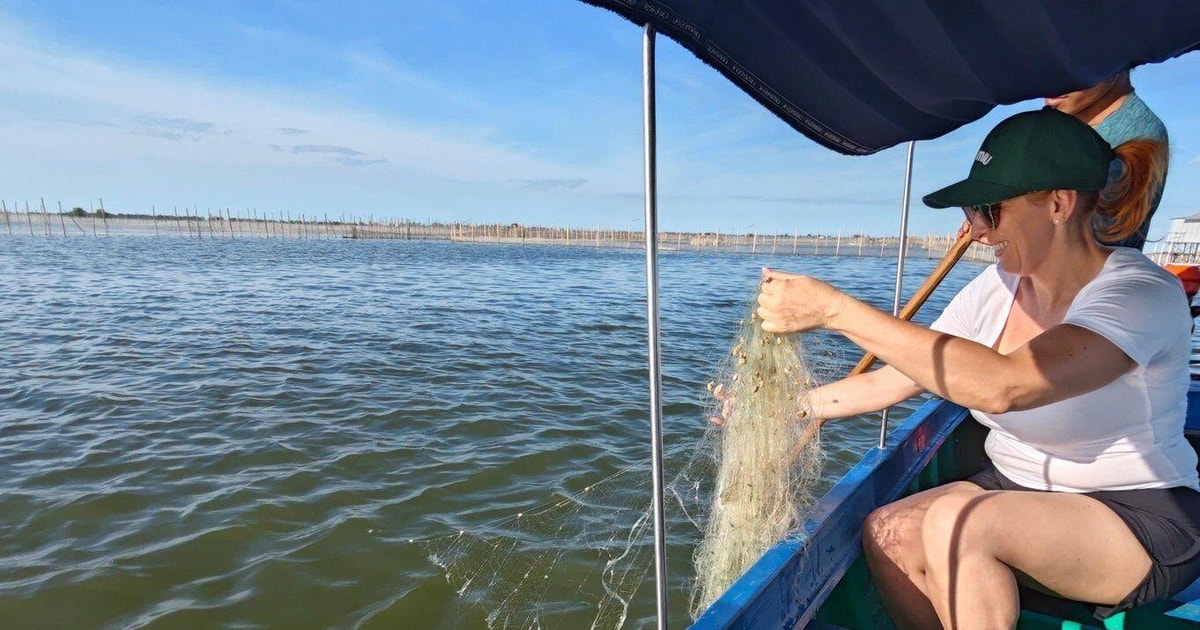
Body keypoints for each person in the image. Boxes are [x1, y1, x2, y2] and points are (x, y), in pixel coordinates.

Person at [755, 108, 1198, 629]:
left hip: (1135, 514)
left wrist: (834, 310)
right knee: (886, 532)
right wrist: (789, 407)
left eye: (990, 208)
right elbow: (905, 374)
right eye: (973, 210)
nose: (976, 230)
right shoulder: (997, 287)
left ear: (1058, 204)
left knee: (958, 523)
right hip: (1012, 487)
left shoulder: (1140, 294)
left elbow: (1006, 386)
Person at [1045, 70, 1168, 250]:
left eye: (1073, 60)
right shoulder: (1064, 125)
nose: (1048, 82)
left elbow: (1079, 253)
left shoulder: (1137, 138)